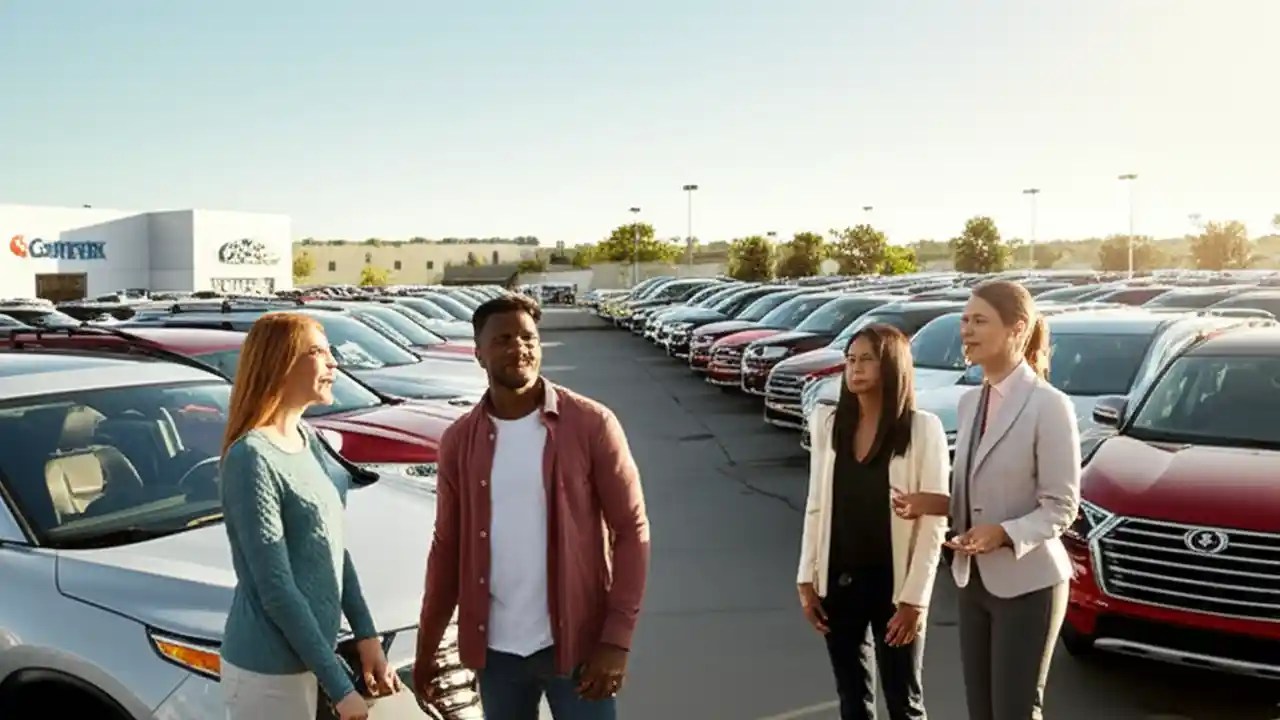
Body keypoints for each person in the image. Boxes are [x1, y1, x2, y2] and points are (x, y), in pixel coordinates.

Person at [413, 294, 650, 719]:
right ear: (479, 354)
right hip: (497, 654)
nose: (518, 347)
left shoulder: (591, 423)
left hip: (578, 648)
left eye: (528, 337)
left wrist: (616, 641)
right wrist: (427, 648)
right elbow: (446, 549)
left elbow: (631, 531)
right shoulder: (459, 442)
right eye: (503, 338)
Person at [894, 280, 1080, 720]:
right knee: (981, 711)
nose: (966, 330)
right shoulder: (969, 403)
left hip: (1029, 584)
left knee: (1014, 712)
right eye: (964, 320)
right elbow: (974, 499)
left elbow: (1061, 505)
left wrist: (1004, 534)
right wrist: (933, 503)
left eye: (979, 320)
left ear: (1017, 328)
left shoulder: (1048, 405)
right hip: (972, 582)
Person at [218, 312, 399, 720]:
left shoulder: (309, 439)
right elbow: (276, 588)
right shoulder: (252, 457)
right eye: (317, 351)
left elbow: (333, 549)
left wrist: (366, 635)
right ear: (279, 363)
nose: (333, 362)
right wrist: (338, 684)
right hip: (267, 674)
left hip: (314, 660)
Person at [796, 324, 951, 720]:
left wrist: (915, 599)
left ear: (891, 365)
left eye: (867, 359)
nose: (855, 368)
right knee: (853, 701)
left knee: (904, 702)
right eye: (850, 359)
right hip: (840, 581)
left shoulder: (922, 429)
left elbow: (933, 522)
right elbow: (817, 504)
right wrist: (806, 577)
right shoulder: (830, 425)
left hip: (894, 586)